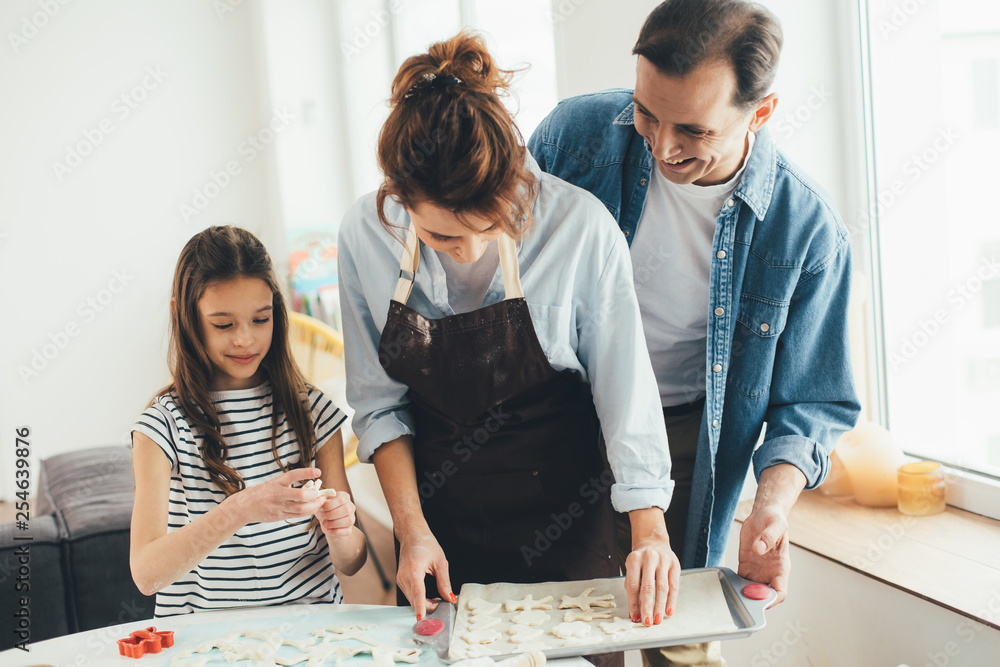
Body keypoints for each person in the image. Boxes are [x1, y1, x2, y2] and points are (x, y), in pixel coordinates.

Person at [528, 0, 861, 664]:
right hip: (561, 417)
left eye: (692, 130)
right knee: (567, 631)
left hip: (692, 441)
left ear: (759, 114)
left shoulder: (807, 230)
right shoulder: (573, 135)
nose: (661, 145)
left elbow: (812, 405)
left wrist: (771, 504)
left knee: (677, 639)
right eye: (647, 113)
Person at [338, 31, 679, 649]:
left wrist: (650, 531)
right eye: (443, 238)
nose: (468, 251)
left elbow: (625, 397)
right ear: (398, 197)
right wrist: (410, 530)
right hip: (439, 527)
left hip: (570, 524)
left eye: (490, 227)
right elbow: (378, 404)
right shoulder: (366, 234)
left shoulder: (579, 230)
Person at [130, 225, 367, 617]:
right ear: (183, 316)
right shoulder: (161, 427)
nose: (245, 339)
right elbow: (146, 575)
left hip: (310, 632)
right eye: (223, 324)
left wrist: (341, 530)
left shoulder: (314, 412)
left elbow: (351, 562)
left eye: (261, 319)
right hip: (206, 641)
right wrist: (241, 509)